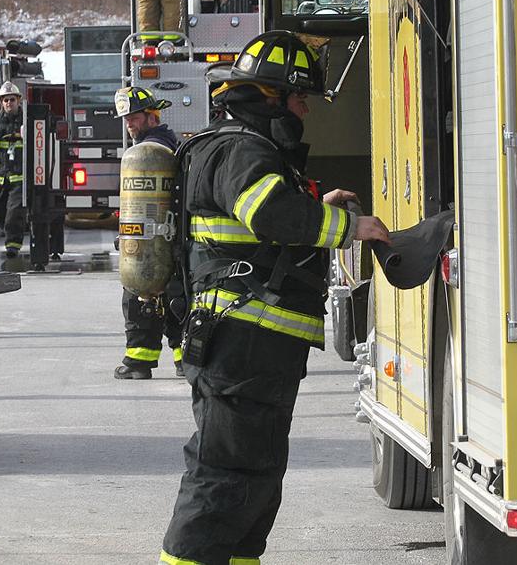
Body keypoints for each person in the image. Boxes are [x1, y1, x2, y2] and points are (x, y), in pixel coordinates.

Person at [159, 31, 391, 565]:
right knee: (223, 478)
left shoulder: (235, 147)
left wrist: (317, 202)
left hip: (252, 349)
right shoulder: (243, 148)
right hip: (241, 342)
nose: (305, 110)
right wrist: (350, 226)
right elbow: (266, 212)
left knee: (254, 480)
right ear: (272, 96)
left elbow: (268, 215)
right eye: (301, 97)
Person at [112, 86, 185, 381]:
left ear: (152, 117)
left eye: (134, 118)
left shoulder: (150, 152)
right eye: (126, 119)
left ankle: (138, 362)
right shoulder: (169, 146)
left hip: (152, 237)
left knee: (138, 296)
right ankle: (184, 360)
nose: (129, 124)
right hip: (170, 235)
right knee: (175, 297)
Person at [0, 81, 27, 258]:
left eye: (12, 100)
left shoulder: (25, 120)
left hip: (18, 176)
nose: (9, 103)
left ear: (18, 100)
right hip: (0, 177)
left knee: (14, 211)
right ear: (1, 102)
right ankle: (10, 232)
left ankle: (12, 246)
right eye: (6, 100)